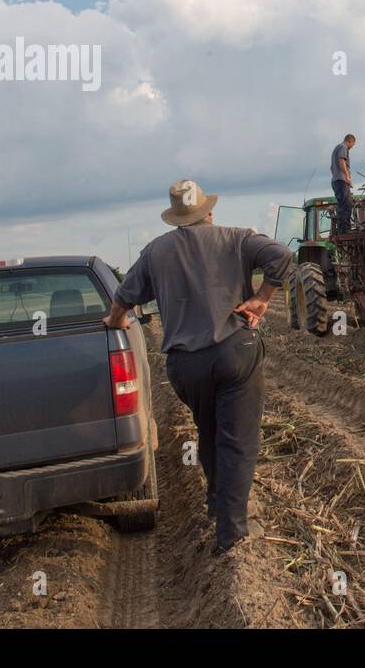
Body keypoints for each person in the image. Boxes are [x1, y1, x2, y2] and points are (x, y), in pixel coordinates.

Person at [103, 179, 293, 552]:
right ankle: (232, 532)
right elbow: (282, 257)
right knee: (238, 440)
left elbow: (123, 297)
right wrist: (261, 298)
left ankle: (216, 503)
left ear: (176, 219)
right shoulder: (237, 237)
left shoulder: (155, 252)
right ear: (209, 211)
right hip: (232, 353)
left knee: (209, 431)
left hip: (185, 366)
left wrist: (113, 323)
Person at [330, 133, 356, 235]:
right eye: (352, 145)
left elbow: (331, 167)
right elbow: (341, 161)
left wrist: (337, 176)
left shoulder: (336, 148)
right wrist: (347, 177)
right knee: (346, 205)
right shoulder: (343, 147)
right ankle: (344, 230)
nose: (351, 148)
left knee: (344, 204)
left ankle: (343, 229)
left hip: (336, 180)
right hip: (341, 181)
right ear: (350, 141)